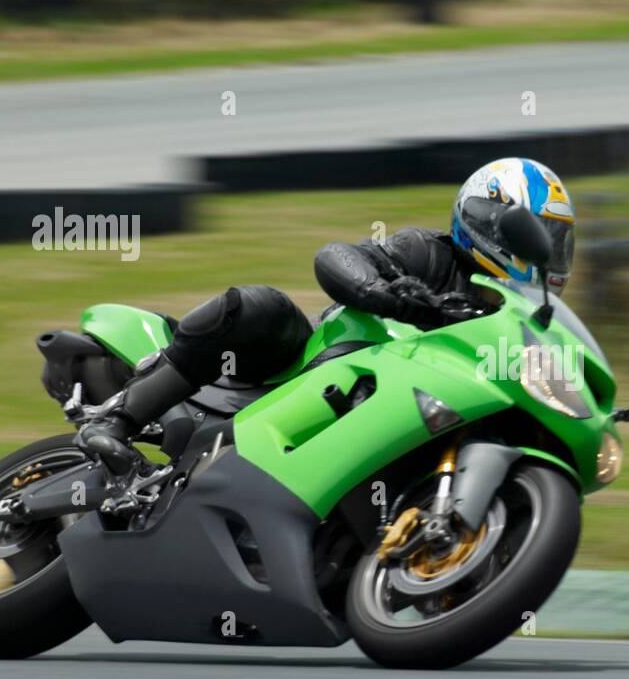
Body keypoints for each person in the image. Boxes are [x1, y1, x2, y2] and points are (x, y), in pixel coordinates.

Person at [77, 157, 576, 475]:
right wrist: (389, 296)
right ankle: (119, 419)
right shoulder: (429, 253)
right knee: (259, 307)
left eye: (555, 240)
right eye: (538, 235)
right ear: (490, 221)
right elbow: (336, 256)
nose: (546, 252)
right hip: (313, 368)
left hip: (411, 420)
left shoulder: (518, 316)